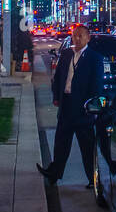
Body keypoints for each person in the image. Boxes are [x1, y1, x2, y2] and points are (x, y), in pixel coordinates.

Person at [36, 25, 104, 187]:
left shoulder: (95, 58)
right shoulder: (66, 54)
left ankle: (93, 180)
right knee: (61, 142)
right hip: (66, 104)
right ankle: (54, 174)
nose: (77, 39)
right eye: (75, 36)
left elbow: (97, 85)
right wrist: (56, 97)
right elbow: (58, 77)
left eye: (81, 36)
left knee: (87, 146)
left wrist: (91, 106)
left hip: (82, 108)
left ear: (88, 38)